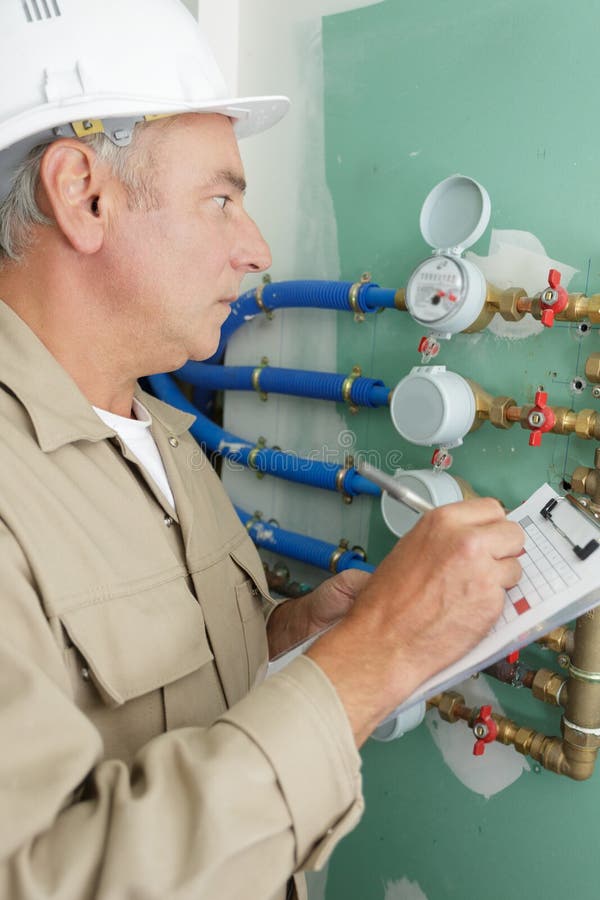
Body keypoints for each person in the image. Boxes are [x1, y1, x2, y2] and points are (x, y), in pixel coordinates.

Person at [0, 1, 524, 898]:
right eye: (221, 199)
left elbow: (175, 699)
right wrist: (380, 655)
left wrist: (294, 638)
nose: (257, 249)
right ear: (84, 193)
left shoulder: (160, 435)